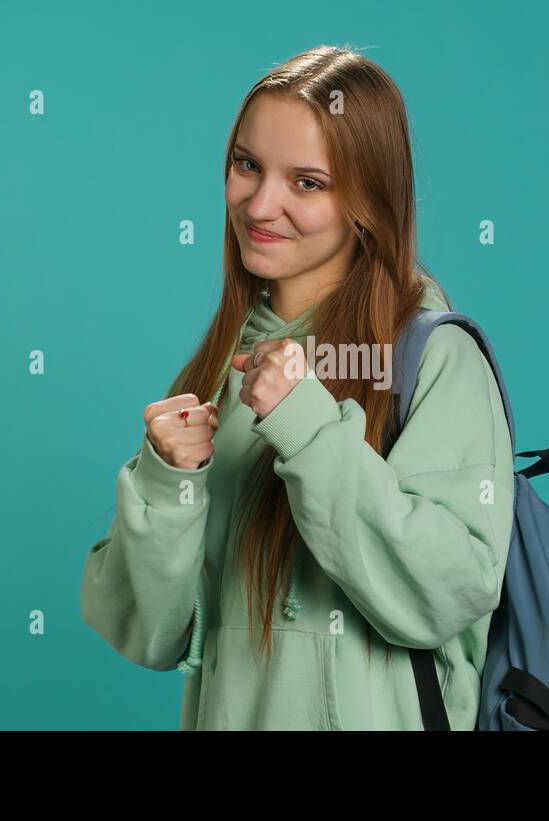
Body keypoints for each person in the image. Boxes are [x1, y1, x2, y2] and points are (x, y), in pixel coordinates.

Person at [81, 44, 514, 730]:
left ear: (367, 200)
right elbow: (149, 634)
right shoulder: (223, 365)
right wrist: (170, 483)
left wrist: (308, 427)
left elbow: (448, 590)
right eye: (248, 164)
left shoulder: (434, 358)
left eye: (307, 182)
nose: (261, 202)